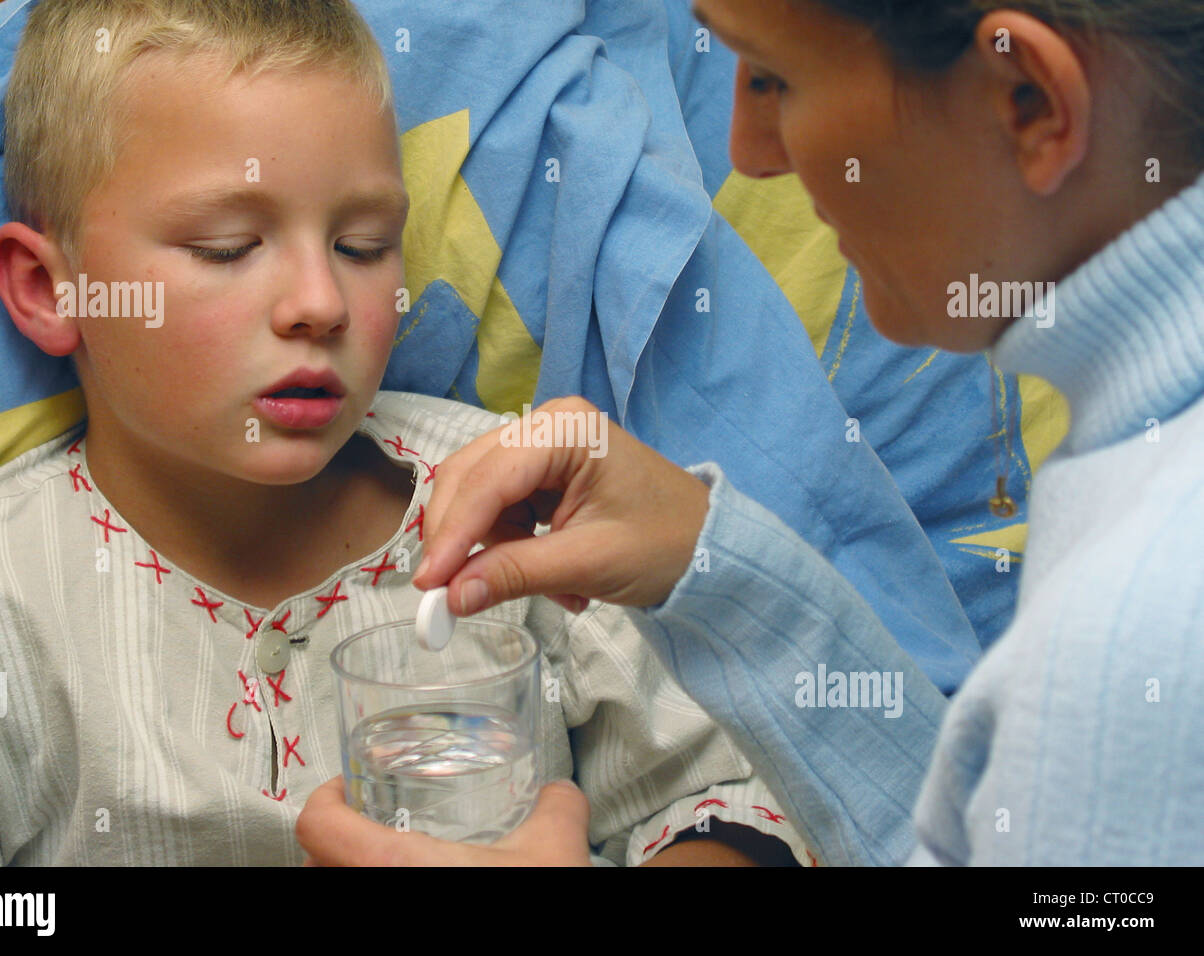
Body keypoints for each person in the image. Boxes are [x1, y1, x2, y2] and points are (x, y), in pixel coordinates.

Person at [296, 0, 1204, 865]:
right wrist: (712, 563)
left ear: (1029, 100)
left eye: (772, 79)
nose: (747, 154)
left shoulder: (1141, 621)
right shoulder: (1137, 483)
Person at [0, 0, 807, 866]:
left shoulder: (516, 495)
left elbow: (727, 798)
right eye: (226, 247)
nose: (320, 304)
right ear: (50, 289)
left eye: (365, 246)